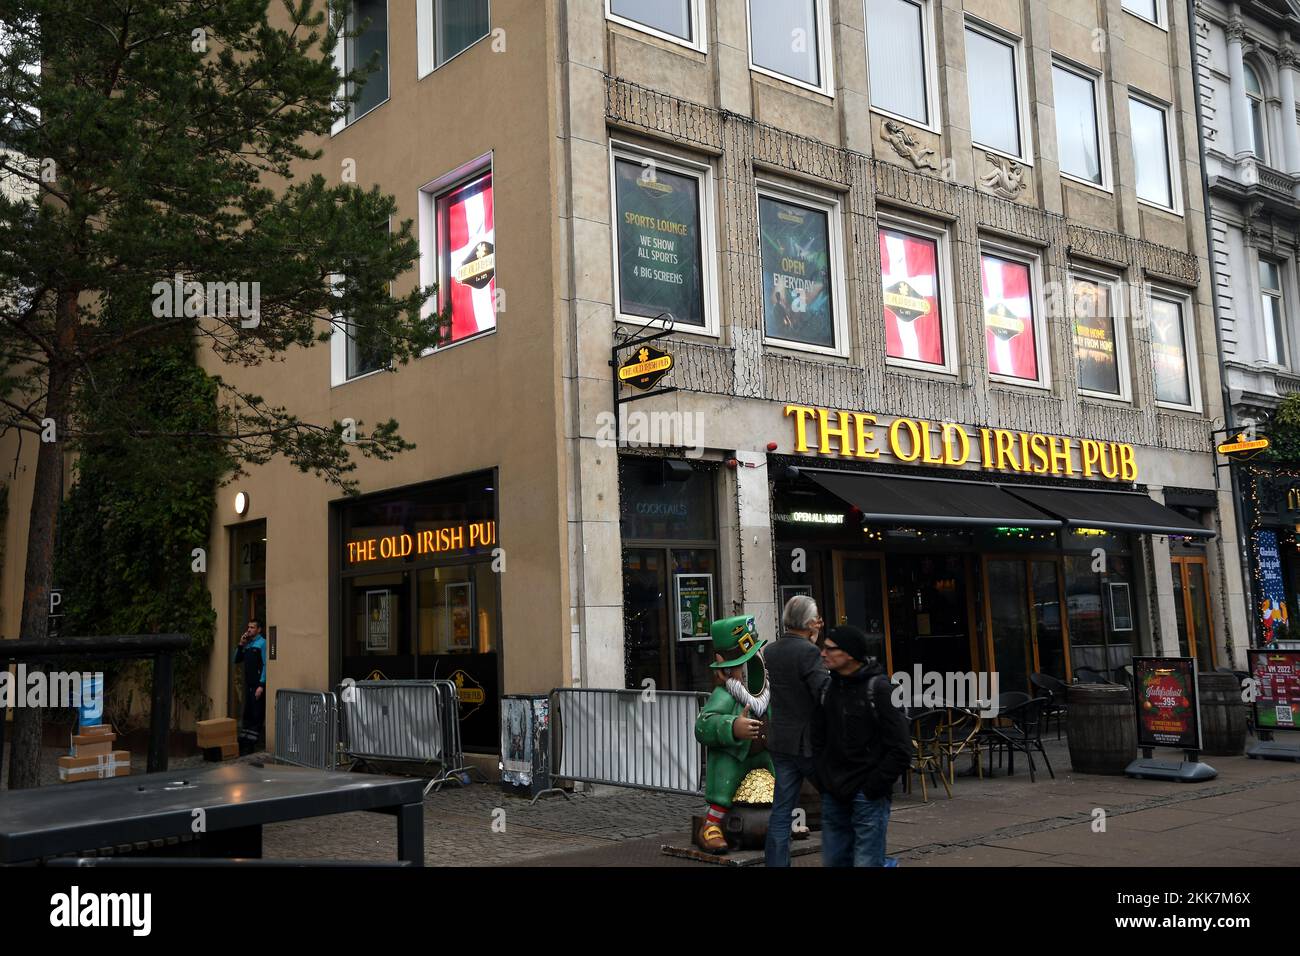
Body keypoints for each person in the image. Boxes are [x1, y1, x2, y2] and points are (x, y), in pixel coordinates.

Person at [812, 625, 912, 867]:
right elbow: (817, 740)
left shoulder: (879, 689)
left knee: (867, 862)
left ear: (849, 654)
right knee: (836, 860)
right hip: (834, 793)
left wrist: (872, 787)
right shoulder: (827, 688)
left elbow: (901, 748)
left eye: (829, 649)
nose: (822, 653)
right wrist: (824, 781)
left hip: (867, 796)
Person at [693, 615, 774, 854]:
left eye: (754, 660)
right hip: (736, 756)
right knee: (724, 784)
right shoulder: (725, 696)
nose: (749, 671)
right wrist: (731, 727)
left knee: (781, 777)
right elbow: (703, 725)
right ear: (724, 666)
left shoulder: (765, 694)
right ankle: (711, 825)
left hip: (763, 753)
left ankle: (785, 819)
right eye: (742, 665)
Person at [763, 594, 830, 867]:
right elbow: (822, 692)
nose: (818, 622)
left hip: (781, 741)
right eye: (815, 619)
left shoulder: (772, 650)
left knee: (781, 812)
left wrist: (811, 639)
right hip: (808, 743)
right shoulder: (808, 652)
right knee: (838, 798)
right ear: (808, 622)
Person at [234, 618, 268, 755]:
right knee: (247, 714)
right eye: (248, 627)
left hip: (257, 685)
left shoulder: (262, 643)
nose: (249, 630)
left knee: (256, 715)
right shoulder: (248, 644)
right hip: (248, 685)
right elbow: (236, 660)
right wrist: (241, 644)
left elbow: (266, 664)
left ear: (259, 630)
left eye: (252, 627)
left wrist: (261, 684)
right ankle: (243, 743)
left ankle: (251, 745)